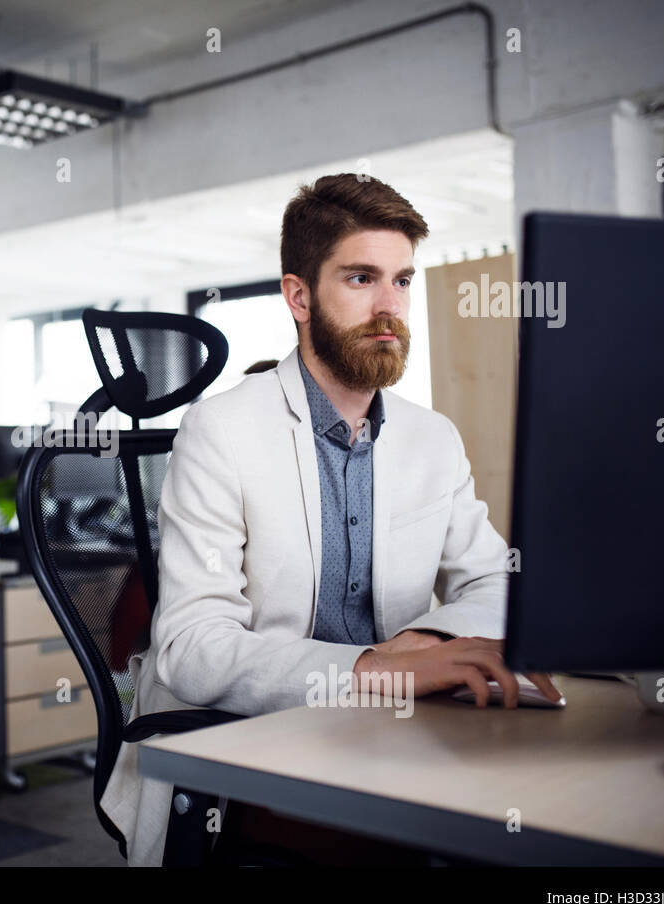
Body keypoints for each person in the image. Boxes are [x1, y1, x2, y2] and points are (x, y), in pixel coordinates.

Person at [100, 174, 561, 867]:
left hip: (387, 730)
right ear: (299, 295)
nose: (389, 307)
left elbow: (500, 583)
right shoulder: (221, 429)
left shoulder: (431, 438)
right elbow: (192, 650)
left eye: (402, 280)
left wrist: (425, 642)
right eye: (360, 278)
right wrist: (376, 668)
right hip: (251, 738)